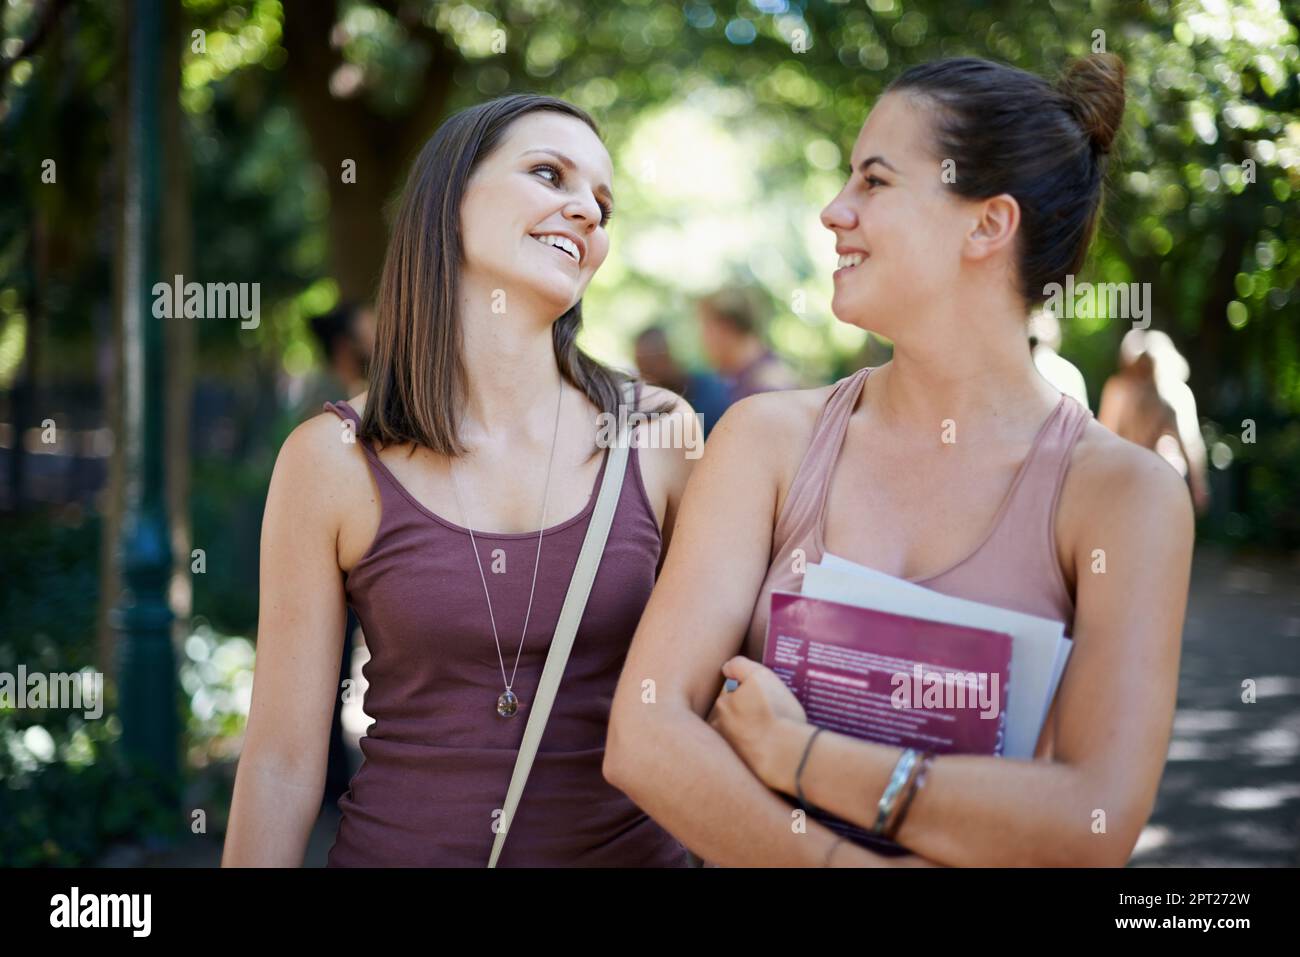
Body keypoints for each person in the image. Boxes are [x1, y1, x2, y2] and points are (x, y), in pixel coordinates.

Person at [605, 54, 1194, 867]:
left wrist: (797, 755)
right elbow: (644, 734)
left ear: (987, 224)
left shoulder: (1125, 498)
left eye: (874, 182)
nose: (832, 211)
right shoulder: (766, 440)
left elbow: (1089, 818)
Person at [223, 94, 698, 866]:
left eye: (603, 204)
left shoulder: (660, 433)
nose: (586, 212)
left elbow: (721, 700)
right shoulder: (329, 459)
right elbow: (280, 757)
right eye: (550, 175)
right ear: (449, 203)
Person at [1099, 329, 1210, 514]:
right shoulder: (1173, 397)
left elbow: (1105, 435)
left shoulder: (1119, 390)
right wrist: (1199, 485)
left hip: (1130, 475)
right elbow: (1190, 444)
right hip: (1166, 477)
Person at [696, 287, 799, 402]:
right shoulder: (740, 380)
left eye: (706, 327)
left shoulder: (766, 388)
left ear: (725, 328)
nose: (702, 338)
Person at [634, 324, 731, 437]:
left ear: (670, 355)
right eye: (643, 367)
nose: (647, 374)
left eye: (653, 363)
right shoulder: (647, 409)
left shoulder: (710, 390)